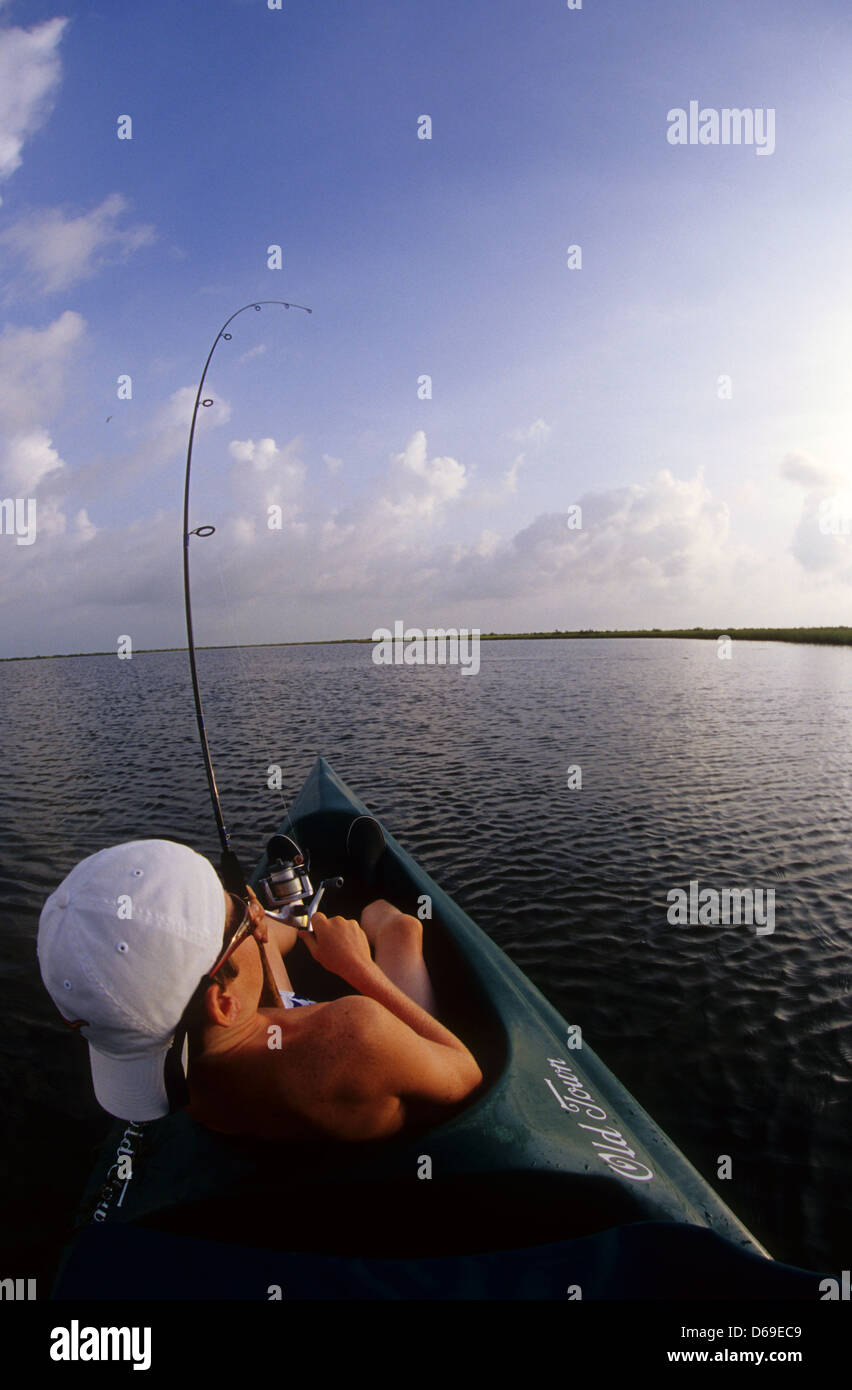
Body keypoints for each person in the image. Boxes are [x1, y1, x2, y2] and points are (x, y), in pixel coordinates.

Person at [37, 839, 483, 1142]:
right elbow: (466, 1076)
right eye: (242, 914)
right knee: (400, 927)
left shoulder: (180, 1075)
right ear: (223, 1003)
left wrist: (243, 932)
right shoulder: (356, 1030)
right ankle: (360, 892)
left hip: (261, 1067)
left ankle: (296, 913)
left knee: (273, 935)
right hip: (377, 1066)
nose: (254, 911)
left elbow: (228, 1004)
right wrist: (358, 969)